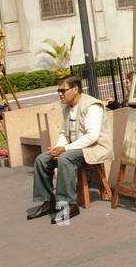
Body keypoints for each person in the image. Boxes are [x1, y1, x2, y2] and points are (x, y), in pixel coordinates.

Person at [26, 76, 112, 224]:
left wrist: (64, 149)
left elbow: (92, 136)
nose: (60, 94)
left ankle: (69, 205)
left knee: (65, 159)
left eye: (63, 90)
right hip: (74, 147)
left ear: (75, 89)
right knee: (42, 159)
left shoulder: (92, 106)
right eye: (58, 91)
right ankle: (48, 202)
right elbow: (64, 133)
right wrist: (57, 148)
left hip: (94, 147)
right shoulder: (66, 107)